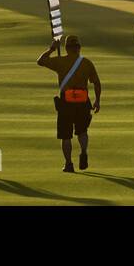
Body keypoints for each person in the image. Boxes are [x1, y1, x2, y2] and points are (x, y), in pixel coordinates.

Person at [37, 35, 102, 172]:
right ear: (79, 47)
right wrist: (97, 100)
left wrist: (51, 49)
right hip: (83, 101)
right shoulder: (86, 63)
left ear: (66, 48)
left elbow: (40, 61)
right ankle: (83, 152)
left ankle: (68, 164)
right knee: (82, 132)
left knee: (66, 135)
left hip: (66, 102)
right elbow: (96, 83)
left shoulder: (61, 61)